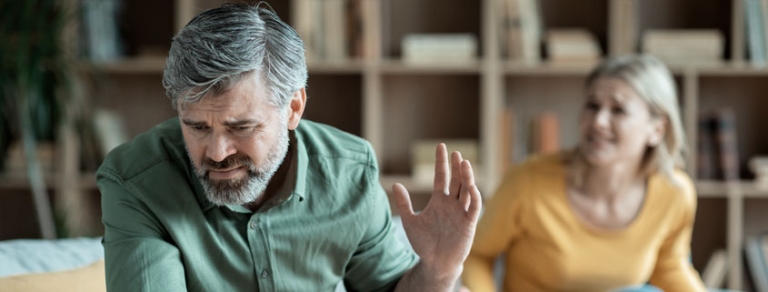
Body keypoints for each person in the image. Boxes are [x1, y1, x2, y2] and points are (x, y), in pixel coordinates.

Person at [97, 3, 482, 291]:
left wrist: (437, 269)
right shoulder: (136, 182)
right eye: (196, 126)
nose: (216, 152)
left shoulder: (349, 172)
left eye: (241, 126)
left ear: (294, 107)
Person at [461, 55, 706, 292]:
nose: (598, 120)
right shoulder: (528, 181)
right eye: (592, 105)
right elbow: (477, 254)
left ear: (657, 129)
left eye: (618, 110)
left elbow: (670, 267)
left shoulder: (675, 193)